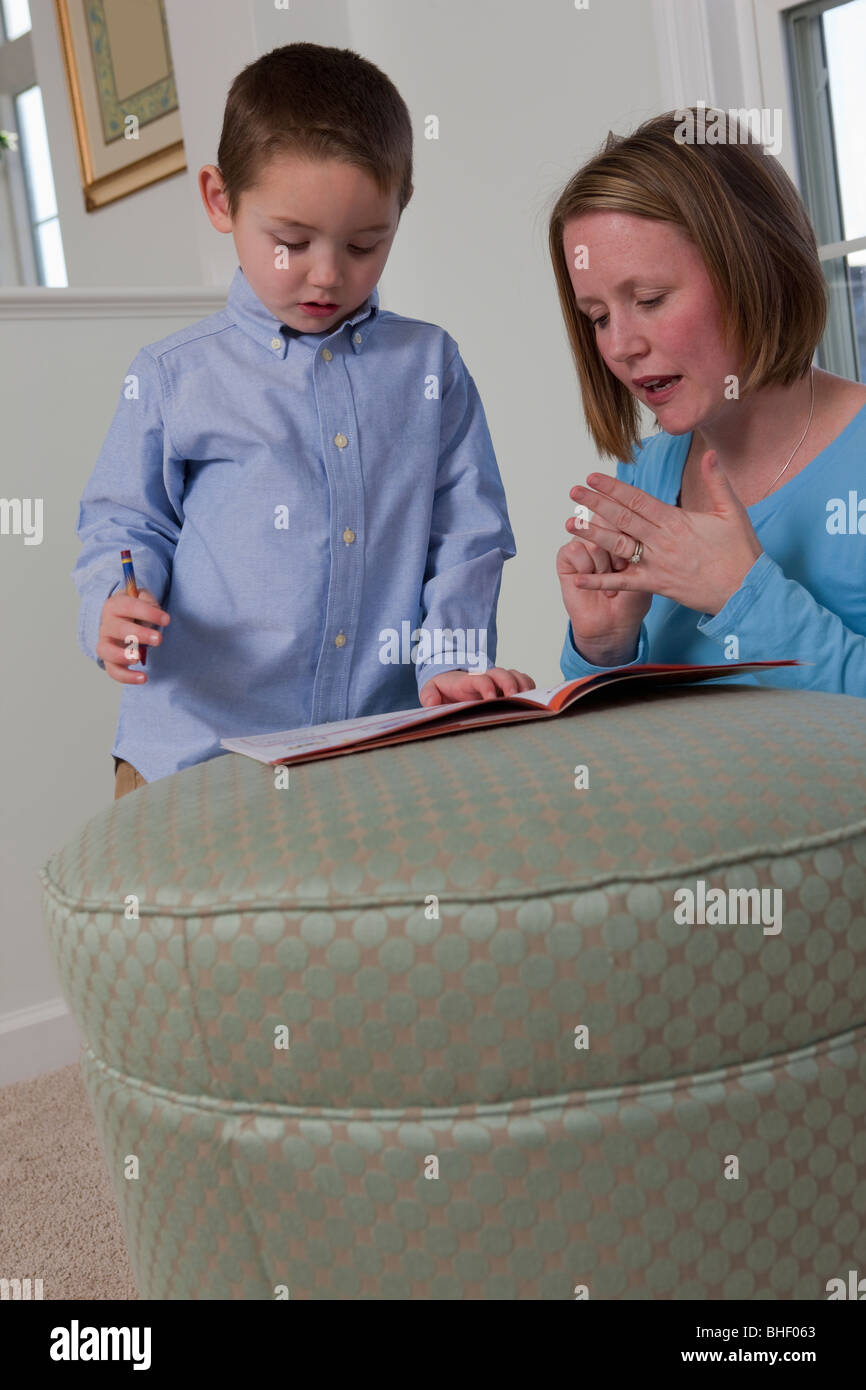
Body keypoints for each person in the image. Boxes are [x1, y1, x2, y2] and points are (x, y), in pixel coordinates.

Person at [72, 43, 532, 798]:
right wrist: (112, 603)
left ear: (398, 213)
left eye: (363, 245)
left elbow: (469, 537)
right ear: (221, 201)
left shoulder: (429, 367)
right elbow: (125, 524)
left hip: (374, 748)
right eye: (291, 243)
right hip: (195, 755)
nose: (326, 274)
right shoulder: (172, 377)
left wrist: (451, 661)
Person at [549, 108, 866, 692]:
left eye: (649, 298)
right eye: (597, 316)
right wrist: (604, 650)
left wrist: (744, 596)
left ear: (756, 268)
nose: (619, 346)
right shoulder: (648, 470)